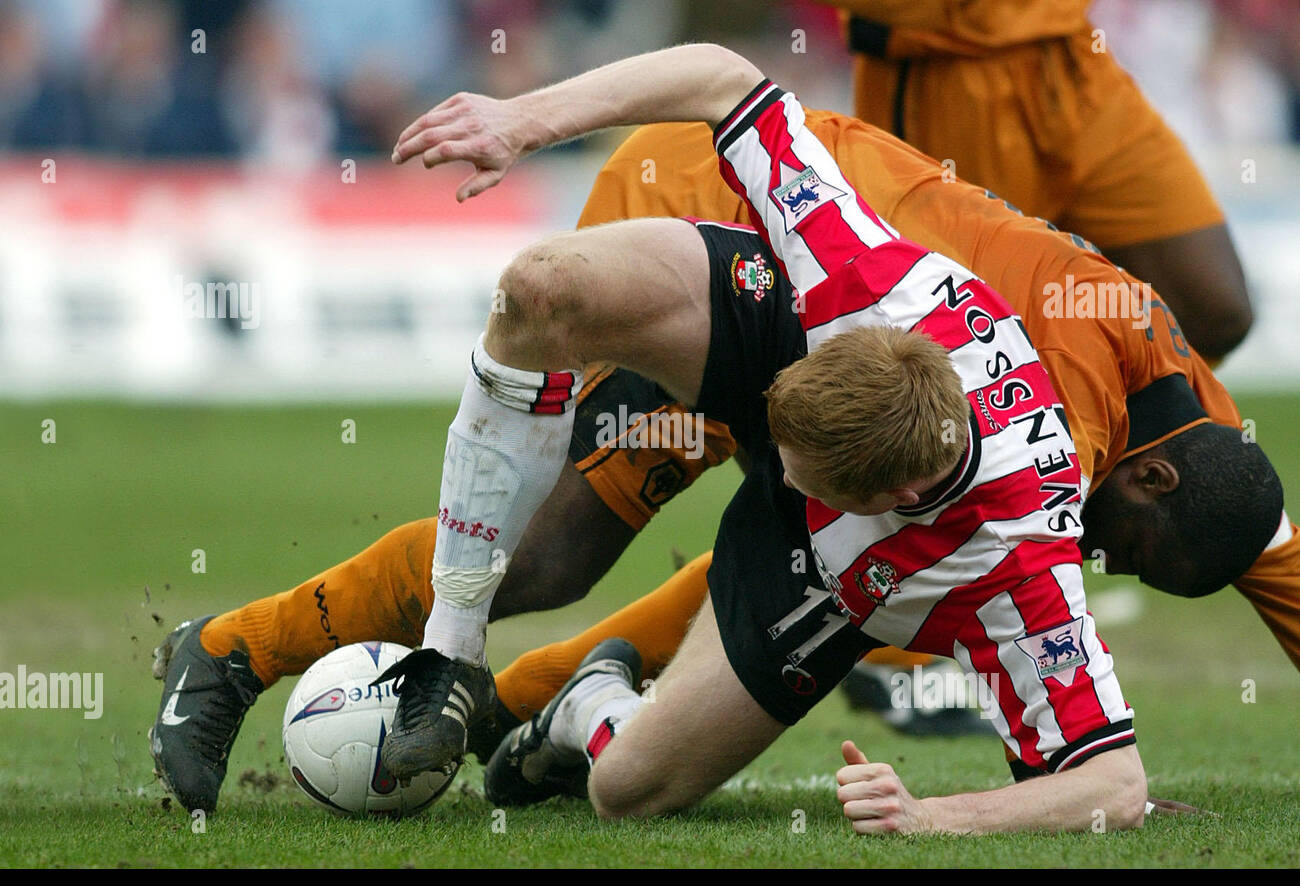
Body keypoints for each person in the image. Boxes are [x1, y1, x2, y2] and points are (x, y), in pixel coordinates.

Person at [148, 55, 1295, 818]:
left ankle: (556, 703)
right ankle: (241, 649)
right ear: (1147, 470)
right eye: (1127, 547)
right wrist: (523, 118)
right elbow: (721, 77)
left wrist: (1061, 778)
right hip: (742, 243)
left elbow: (860, 573)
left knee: (787, 615)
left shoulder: (1173, 443)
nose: (1108, 560)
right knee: (549, 550)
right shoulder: (956, 331)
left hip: (859, 383)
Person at [374, 42, 1161, 833]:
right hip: (782, 336)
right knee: (539, 288)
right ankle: (451, 648)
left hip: (829, 576)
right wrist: (522, 120)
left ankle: (590, 703)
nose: (761, 464)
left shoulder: (1017, 562)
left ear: (896, 500)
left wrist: (935, 817)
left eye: (799, 474)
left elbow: (1117, 785)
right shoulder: (858, 278)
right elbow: (723, 77)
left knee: (625, 791)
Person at [827, 0, 1255, 363]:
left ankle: (1096, 430)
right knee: (974, 342)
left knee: (1215, 313)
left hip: (1072, 57)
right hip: (945, 78)